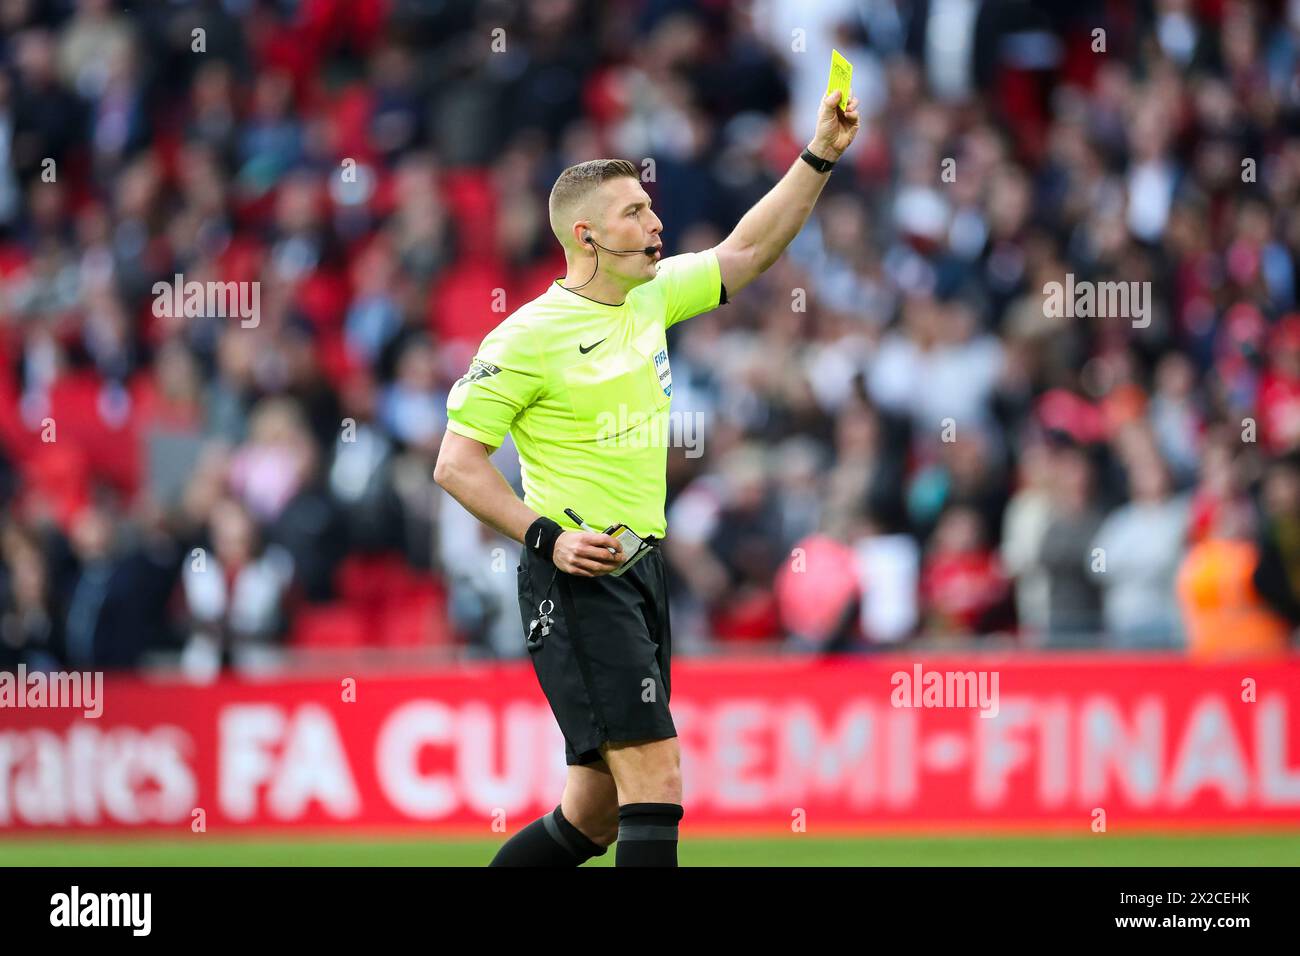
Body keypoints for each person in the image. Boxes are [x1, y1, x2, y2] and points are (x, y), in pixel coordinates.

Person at [434, 89, 861, 866]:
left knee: (590, 819)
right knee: (657, 777)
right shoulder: (526, 336)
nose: (655, 222)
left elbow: (749, 249)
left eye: (652, 207)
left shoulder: (649, 298)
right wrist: (548, 538)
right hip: (578, 573)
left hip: (643, 568)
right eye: (634, 211)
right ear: (586, 234)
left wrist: (820, 154)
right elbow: (455, 464)